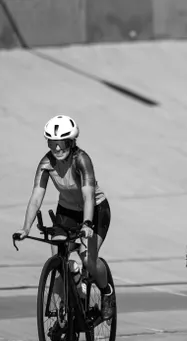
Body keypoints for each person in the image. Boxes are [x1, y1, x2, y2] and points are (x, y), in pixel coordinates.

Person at [14, 115, 114, 321]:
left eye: (61, 143)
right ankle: (65, 312)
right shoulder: (46, 163)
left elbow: (87, 197)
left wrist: (87, 224)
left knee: (88, 258)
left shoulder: (82, 160)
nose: (57, 149)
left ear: (71, 142)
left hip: (95, 210)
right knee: (59, 261)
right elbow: (36, 197)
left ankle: (106, 293)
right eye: (52, 143)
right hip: (66, 211)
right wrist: (25, 228)